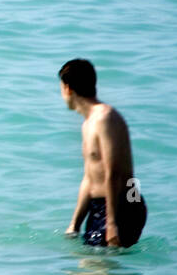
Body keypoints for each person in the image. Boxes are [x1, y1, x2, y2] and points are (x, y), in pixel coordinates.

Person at [60, 59, 147, 248]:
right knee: (87, 270)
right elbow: (89, 179)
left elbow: (113, 172)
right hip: (100, 207)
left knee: (99, 271)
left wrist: (112, 223)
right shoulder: (87, 123)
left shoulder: (105, 118)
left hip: (122, 204)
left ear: (67, 89)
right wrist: (74, 224)